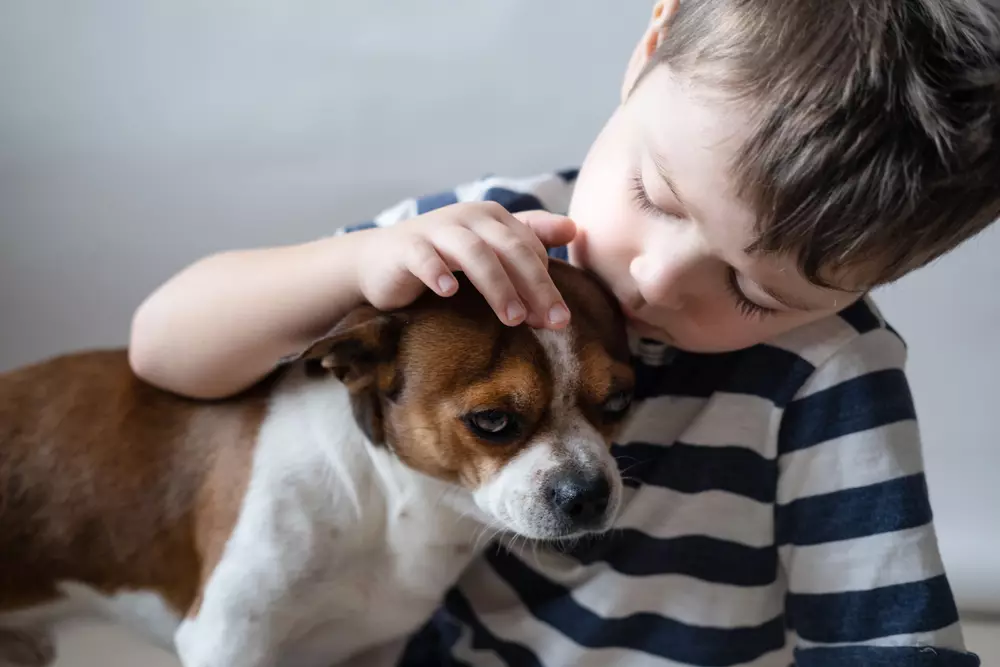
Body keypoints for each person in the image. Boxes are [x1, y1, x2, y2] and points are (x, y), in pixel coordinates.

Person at [128, 0, 1000, 664]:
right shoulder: (461, 245)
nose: (656, 279)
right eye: (656, 195)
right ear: (653, 44)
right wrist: (350, 267)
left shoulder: (832, 371)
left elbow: (882, 632)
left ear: (873, 279)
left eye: (749, 286)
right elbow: (164, 351)